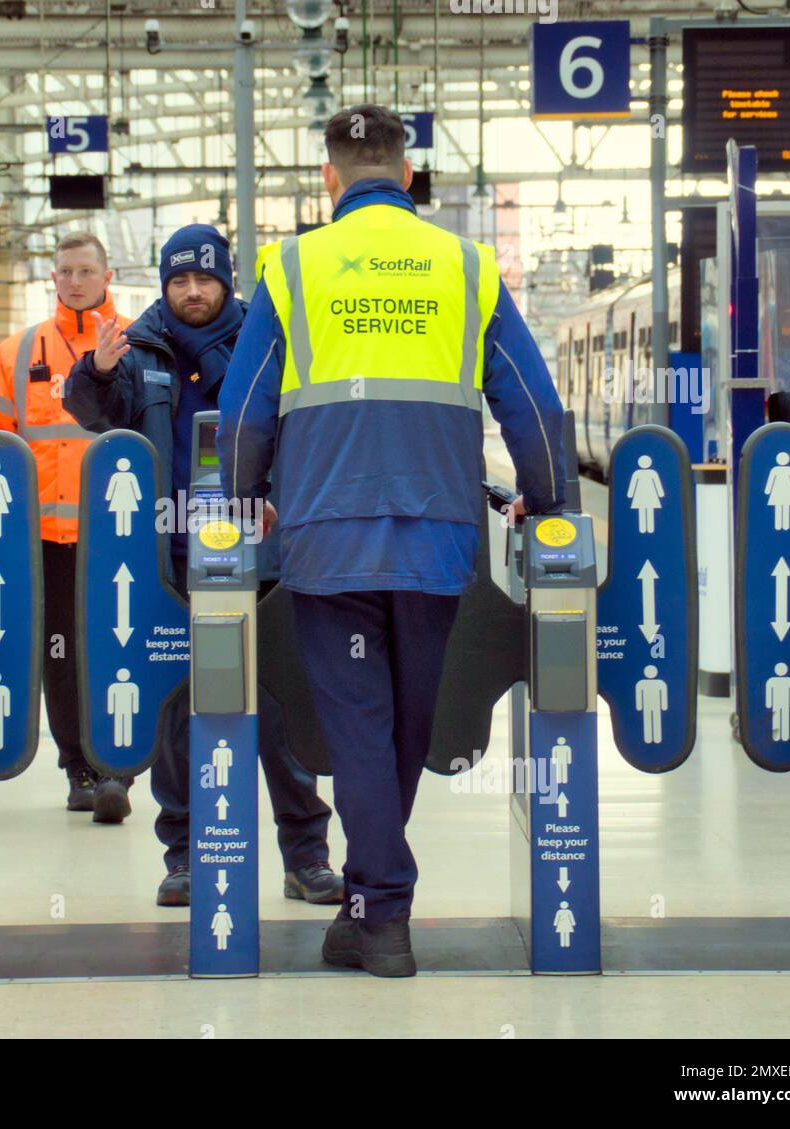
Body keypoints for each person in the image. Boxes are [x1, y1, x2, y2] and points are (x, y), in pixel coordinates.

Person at [216, 104, 566, 976]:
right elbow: (532, 397)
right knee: (406, 721)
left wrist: (240, 498)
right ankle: (374, 904)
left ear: (329, 179)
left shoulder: (292, 266)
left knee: (361, 722)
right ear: (407, 177)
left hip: (328, 536)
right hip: (438, 532)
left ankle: (380, 915)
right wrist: (546, 497)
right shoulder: (466, 265)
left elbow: (242, 407)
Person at [64, 223, 343, 908]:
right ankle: (184, 854)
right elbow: (94, 413)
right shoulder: (139, 348)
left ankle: (305, 854)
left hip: (263, 555)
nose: (193, 291)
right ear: (164, 284)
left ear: (226, 279)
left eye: (205, 278)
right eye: (179, 280)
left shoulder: (265, 338)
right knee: (179, 718)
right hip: (175, 560)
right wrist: (97, 374)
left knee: (279, 712)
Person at [0, 231, 134, 823]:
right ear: (53, 280)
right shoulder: (18, 353)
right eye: (66, 272)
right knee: (59, 653)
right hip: (47, 543)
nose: (76, 281)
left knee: (120, 648)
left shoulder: (136, 345)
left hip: (120, 536)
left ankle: (118, 764)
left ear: (106, 276)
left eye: (87, 270)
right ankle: (79, 770)